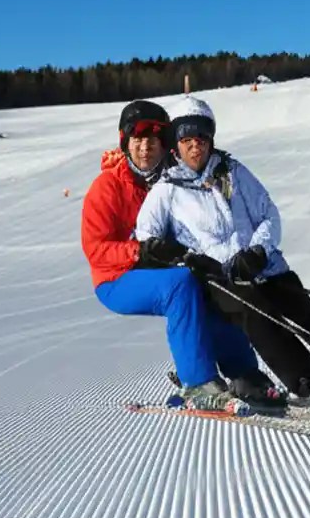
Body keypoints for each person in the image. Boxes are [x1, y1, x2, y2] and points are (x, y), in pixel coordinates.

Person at [135, 96, 310, 406]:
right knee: (259, 315)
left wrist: (258, 251)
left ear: (210, 138)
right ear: (176, 144)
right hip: (220, 280)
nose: (195, 146)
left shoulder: (231, 172)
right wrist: (166, 251)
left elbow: (268, 214)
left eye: (200, 137)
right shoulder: (168, 188)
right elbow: (146, 233)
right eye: (186, 140)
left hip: (263, 267)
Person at [80, 99, 280, 411]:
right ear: (125, 143)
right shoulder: (107, 186)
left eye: (154, 141)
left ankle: (243, 373)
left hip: (166, 271)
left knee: (209, 284)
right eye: (137, 141)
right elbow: (96, 250)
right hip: (116, 279)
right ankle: (198, 381)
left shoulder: (173, 180)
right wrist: (141, 251)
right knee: (181, 285)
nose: (146, 149)